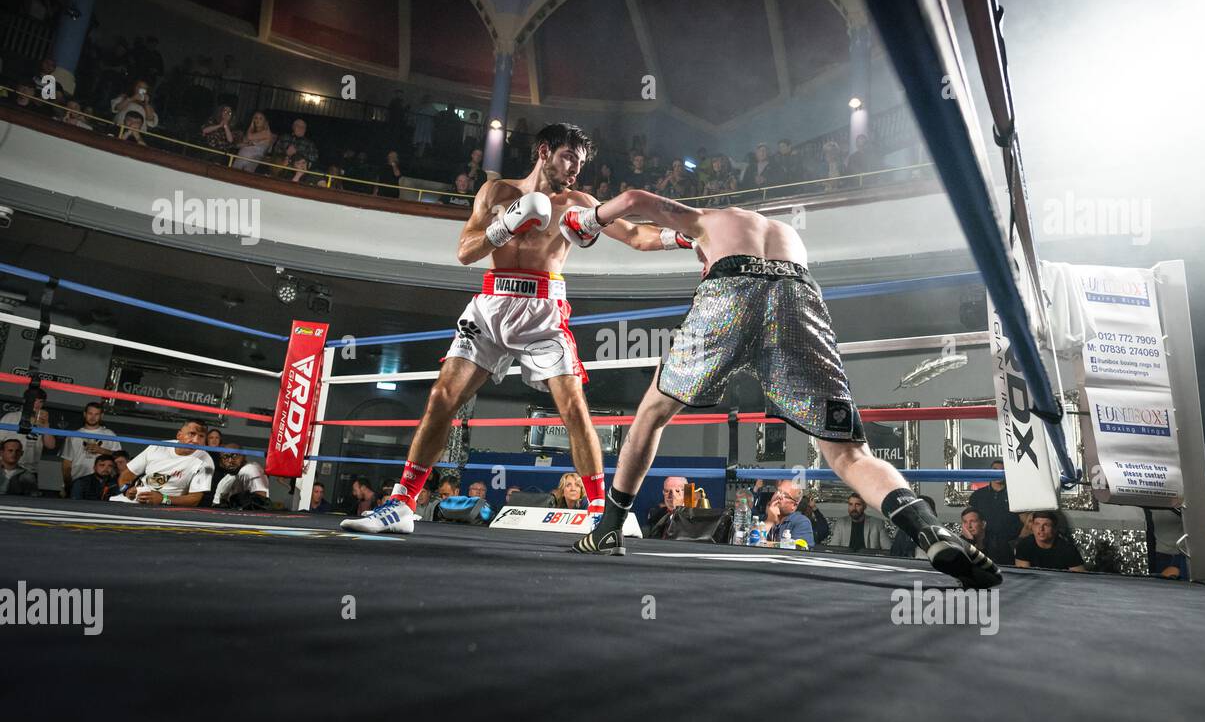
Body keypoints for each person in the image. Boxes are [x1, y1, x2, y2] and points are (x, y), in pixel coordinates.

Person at [572, 191, 1000, 588]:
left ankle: (609, 528)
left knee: (653, 412)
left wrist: (586, 218)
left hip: (731, 290)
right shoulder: (782, 232)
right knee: (849, 453)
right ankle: (931, 529)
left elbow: (633, 200)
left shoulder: (706, 219)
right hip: (798, 295)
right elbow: (650, 237)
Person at [341, 123, 689, 535]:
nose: (575, 170)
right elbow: (466, 253)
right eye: (568, 159)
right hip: (491, 306)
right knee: (441, 396)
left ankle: (603, 513)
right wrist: (504, 226)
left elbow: (633, 235)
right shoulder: (496, 193)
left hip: (543, 309)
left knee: (574, 405)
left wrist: (683, 239)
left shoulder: (579, 203)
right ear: (544, 151)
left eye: (580, 164)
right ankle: (401, 504)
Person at [110, 420, 213, 507]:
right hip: (137, 498)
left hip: (169, 506)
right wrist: (126, 490)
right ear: (179, 435)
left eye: (201, 436)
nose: (195, 440)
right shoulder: (158, 447)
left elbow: (194, 499)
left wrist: (163, 499)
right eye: (192, 434)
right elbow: (126, 475)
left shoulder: (205, 460)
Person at [967, 461, 1027, 565]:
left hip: (1008, 545)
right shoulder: (978, 495)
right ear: (989, 472)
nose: (998, 473)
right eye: (995, 470)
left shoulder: (1016, 495)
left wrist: (1018, 542)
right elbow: (968, 520)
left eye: (1001, 471)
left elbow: (1027, 521)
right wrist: (975, 541)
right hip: (983, 545)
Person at [60, 401, 120, 496]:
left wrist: (102, 450)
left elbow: (119, 459)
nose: (92, 417)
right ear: (85, 414)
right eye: (90, 413)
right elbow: (66, 464)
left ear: (101, 416)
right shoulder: (73, 435)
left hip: (102, 484)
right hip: (77, 481)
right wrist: (67, 484)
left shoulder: (109, 434)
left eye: (96, 414)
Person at [0, 386, 56, 474]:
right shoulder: (11, 417)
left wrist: (46, 425)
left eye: (40, 402)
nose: (37, 405)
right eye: (34, 400)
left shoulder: (42, 422)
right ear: (24, 400)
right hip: (7, 468)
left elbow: (51, 445)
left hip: (30, 470)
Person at [1014, 512, 1085, 571]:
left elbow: (1079, 578)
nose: (1041, 529)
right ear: (1032, 527)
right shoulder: (1024, 546)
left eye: (1046, 525)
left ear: (1054, 528)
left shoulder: (1068, 549)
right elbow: (1023, 576)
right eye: (1037, 524)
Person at [826, 492, 891, 552]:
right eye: (850, 504)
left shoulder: (877, 523)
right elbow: (833, 549)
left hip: (868, 561)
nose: (853, 508)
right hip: (846, 561)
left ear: (864, 506)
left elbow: (888, 549)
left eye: (857, 505)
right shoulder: (841, 523)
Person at [759, 479, 815, 547]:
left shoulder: (802, 522)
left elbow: (798, 548)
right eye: (778, 491)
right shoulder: (763, 518)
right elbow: (750, 542)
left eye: (785, 495)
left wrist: (764, 544)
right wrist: (769, 521)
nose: (778, 496)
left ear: (794, 506)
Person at [212, 442, 270, 507]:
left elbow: (260, 502)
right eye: (225, 457)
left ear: (243, 456)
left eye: (234, 455)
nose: (230, 460)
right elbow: (215, 506)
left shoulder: (250, 469)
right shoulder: (224, 481)